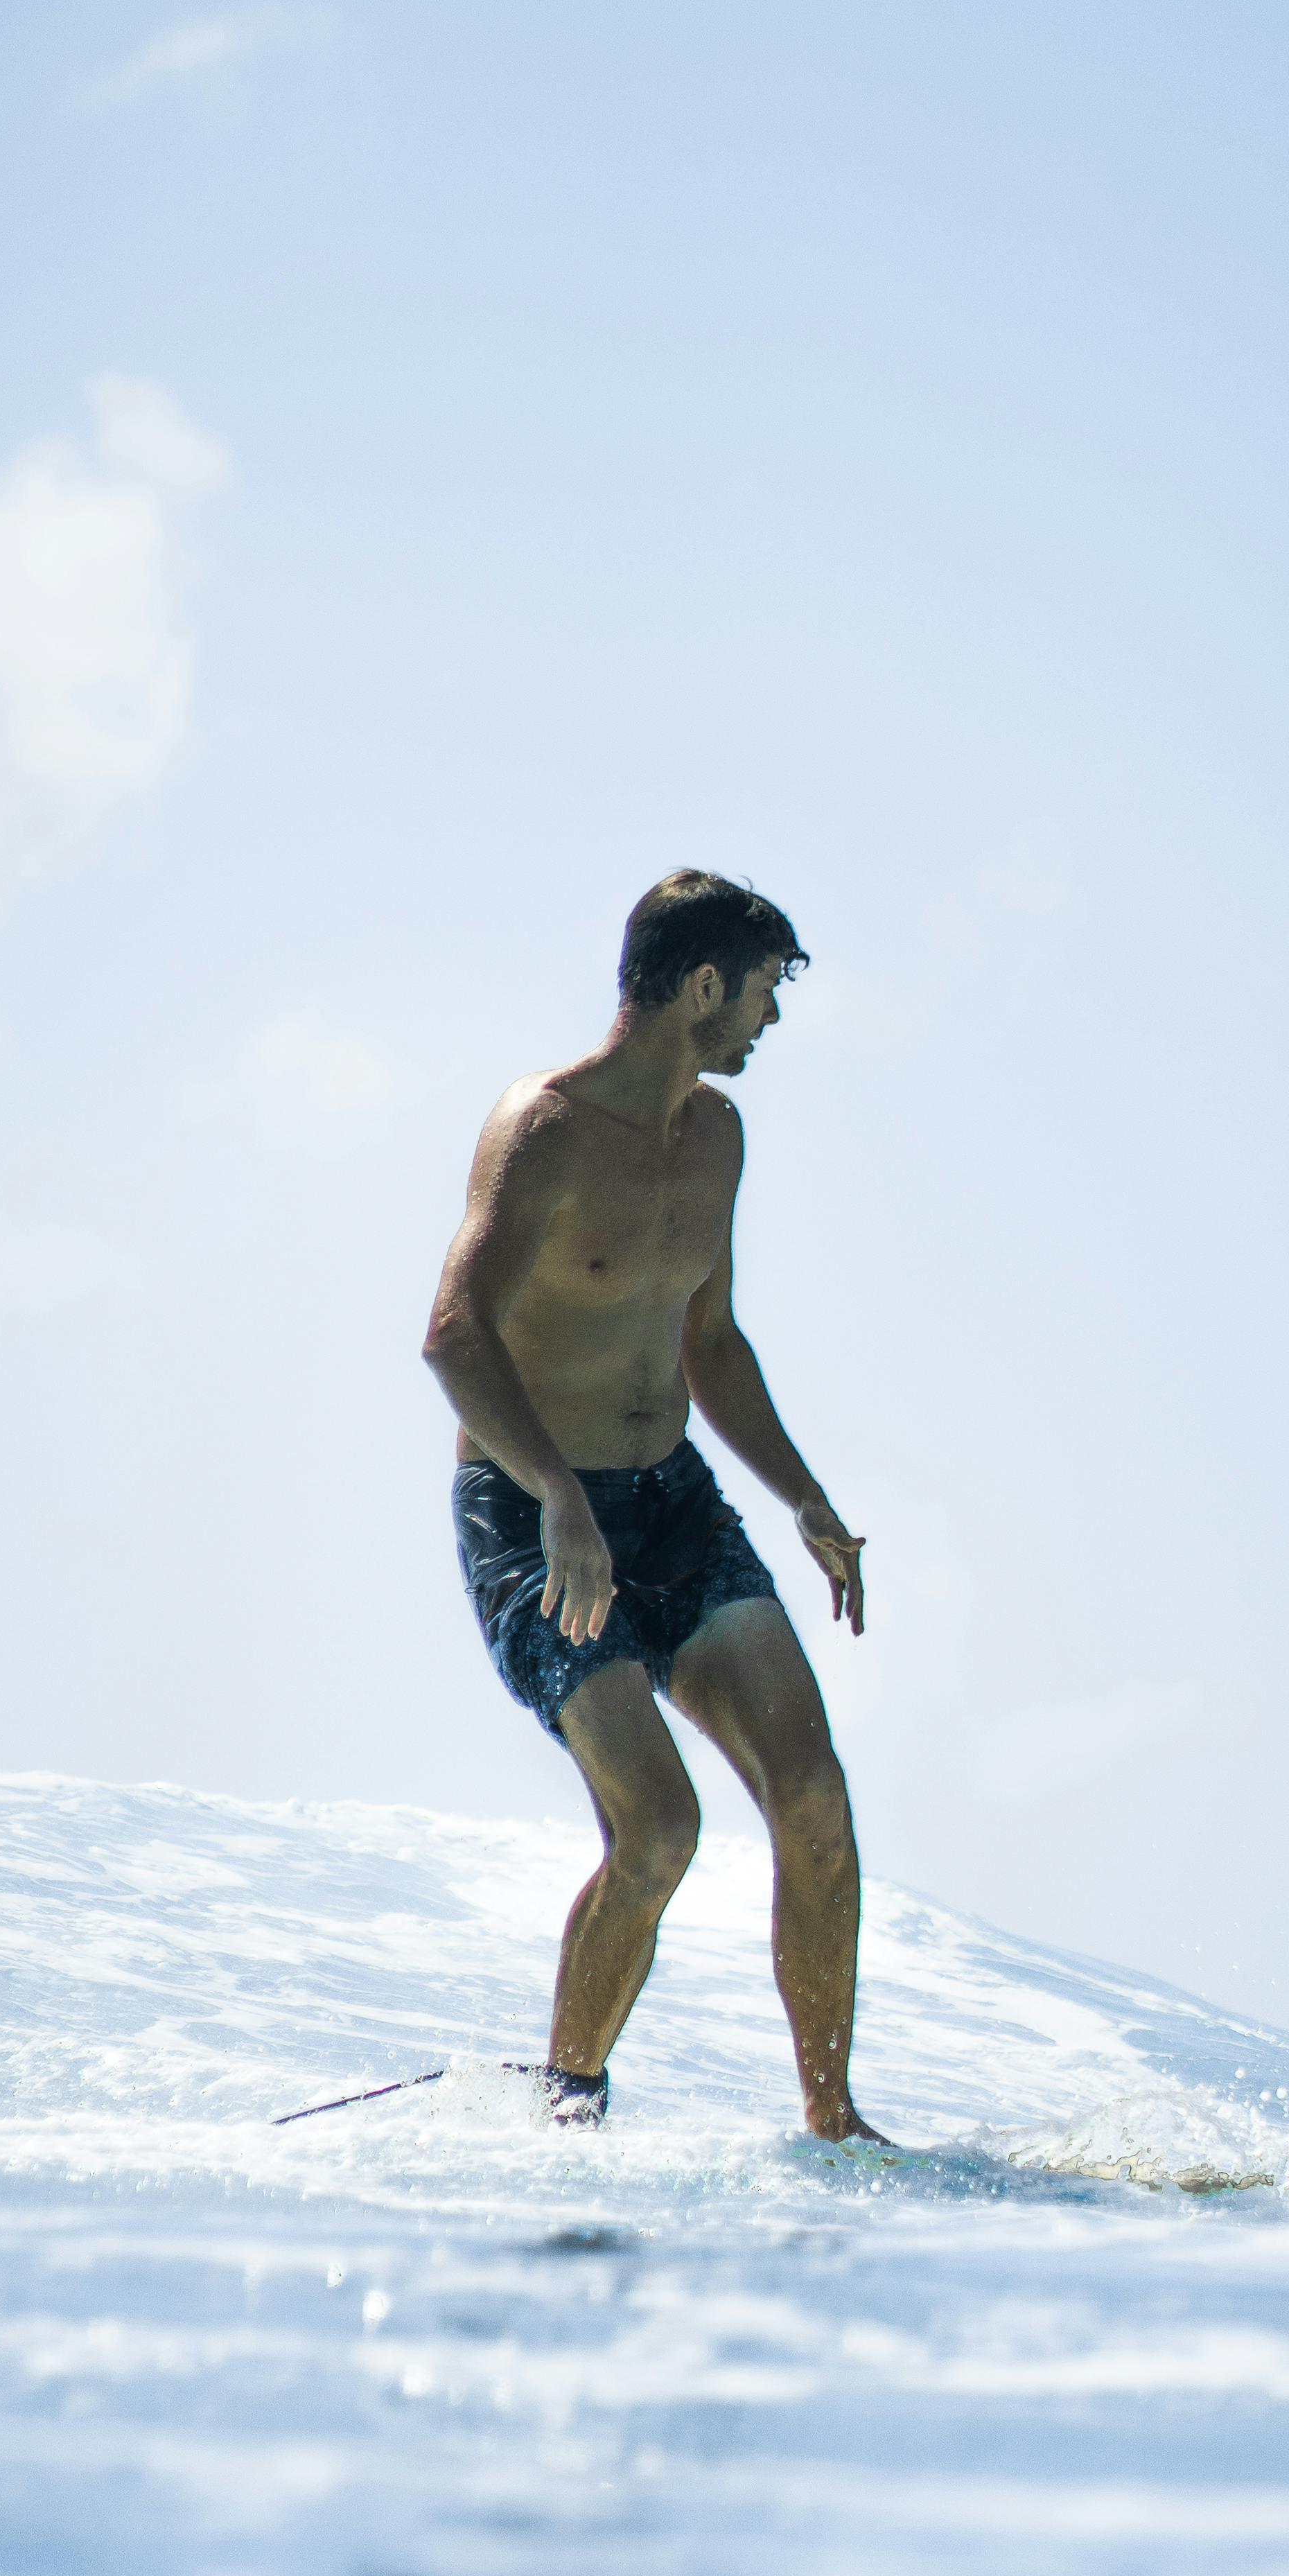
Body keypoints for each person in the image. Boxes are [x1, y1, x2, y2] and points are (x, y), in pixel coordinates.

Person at [422, 869, 878, 2140]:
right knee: (661, 1828)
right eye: (765, 991)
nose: (769, 1022)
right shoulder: (545, 1130)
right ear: (700, 987)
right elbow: (454, 1335)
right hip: (531, 1514)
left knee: (813, 1796)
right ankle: (565, 2105)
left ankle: (831, 2123)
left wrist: (801, 1495)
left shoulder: (718, 1137)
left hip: (672, 1501)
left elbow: (711, 1342)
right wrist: (559, 1495)